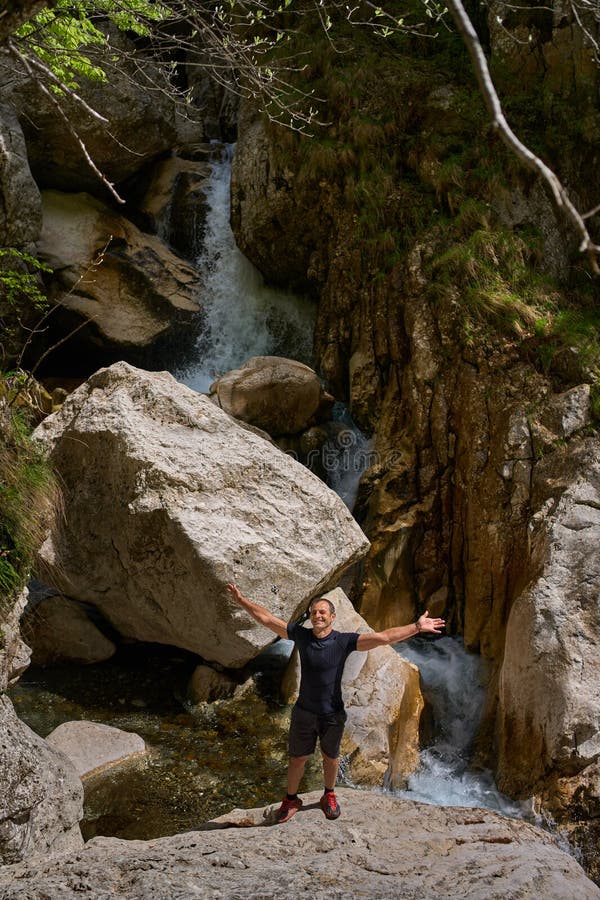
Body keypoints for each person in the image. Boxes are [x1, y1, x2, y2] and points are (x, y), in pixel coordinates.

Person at [227, 583, 445, 824]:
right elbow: (266, 619)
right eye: (313, 613)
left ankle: (328, 795)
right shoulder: (302, 635)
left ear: (332, 617)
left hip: (332, 713)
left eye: (322, 612)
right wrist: (241, 600)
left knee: (330, 758)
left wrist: (416, 627)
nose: (317, 615)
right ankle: (291, 798)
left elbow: (383, 637)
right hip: (304, 712)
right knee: (297, 759)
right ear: (310, 618)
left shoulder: (343, 641)